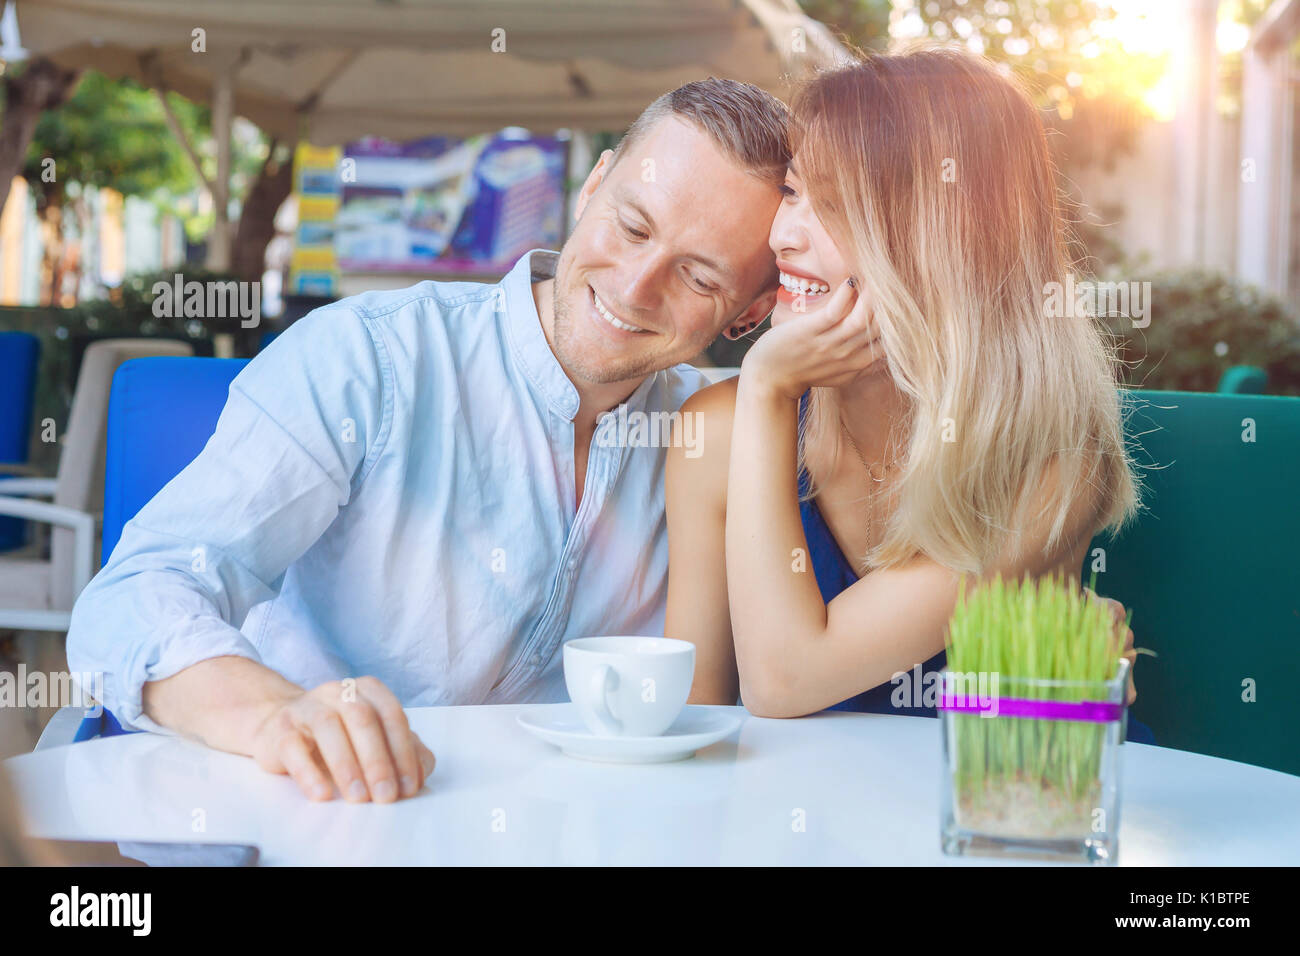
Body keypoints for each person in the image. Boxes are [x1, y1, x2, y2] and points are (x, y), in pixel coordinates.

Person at [66, 79, 789, 802]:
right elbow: (132, 596)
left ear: (751, 312)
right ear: (592, 187)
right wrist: (275, 715)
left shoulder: (725, 444)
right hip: (319, 819)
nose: (635, 287)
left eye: (697, 276)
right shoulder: (368, 357)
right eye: (631, 227)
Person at [666, 49, 1150, 738]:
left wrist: (770, 389)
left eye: (835, 208)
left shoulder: (1051, 463)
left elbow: (783, 680)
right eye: (795, 192)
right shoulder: (716, 433)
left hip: (1004, 819)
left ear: (944, 243)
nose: (783, 235)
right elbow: (691, 725)